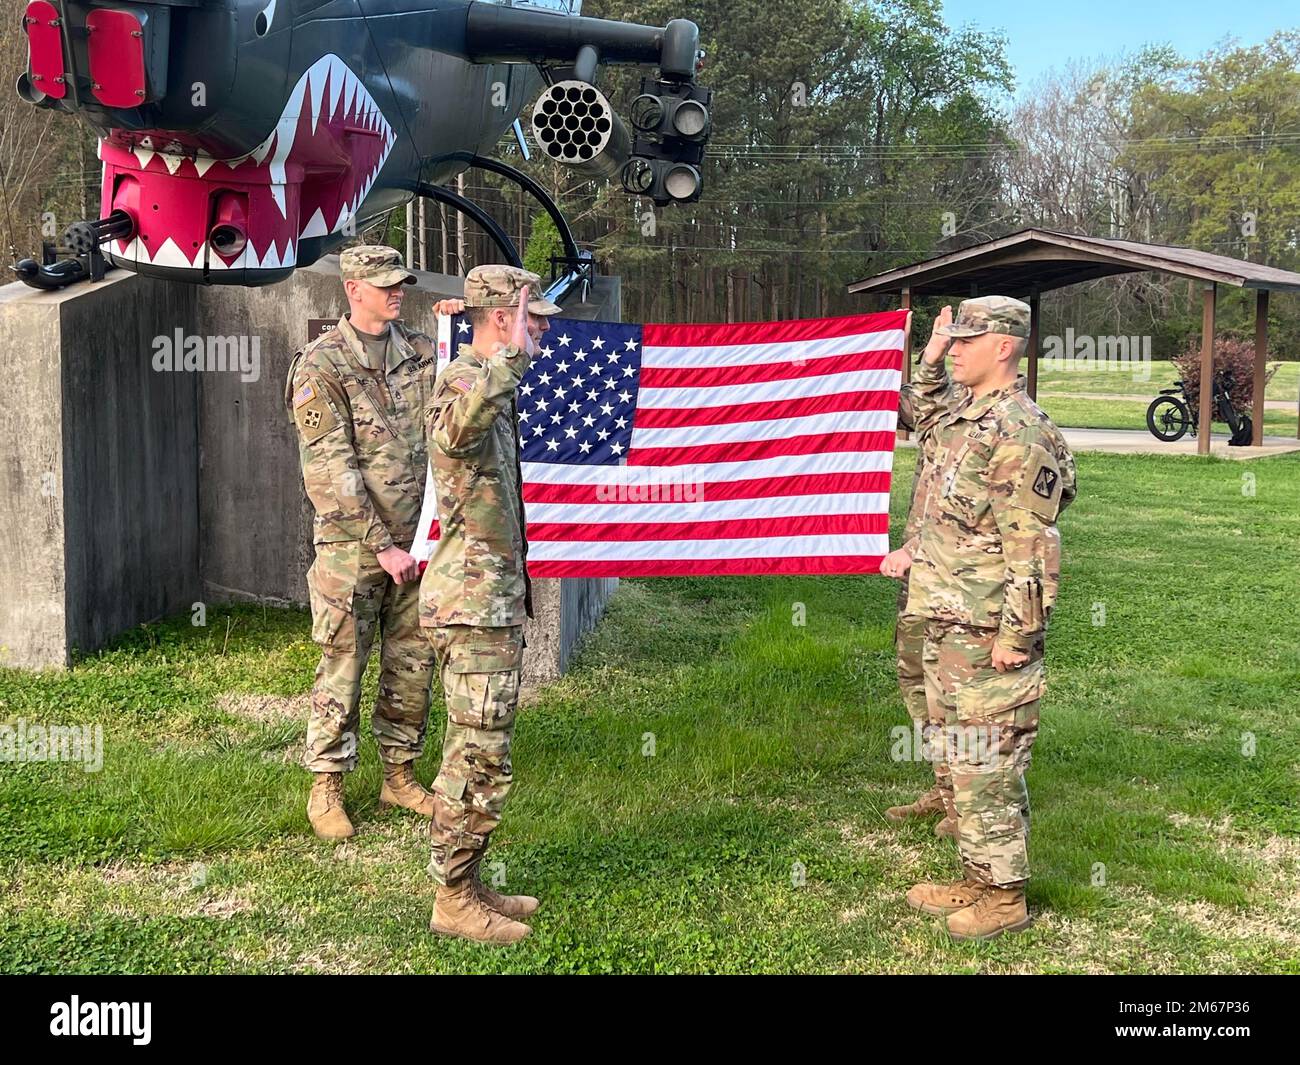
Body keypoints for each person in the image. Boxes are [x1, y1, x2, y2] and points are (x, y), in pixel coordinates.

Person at [882, 296, 1076, 940]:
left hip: (986, 623)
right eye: (952, 340)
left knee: (987, 762)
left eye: (966, 340)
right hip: (943, 609)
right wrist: (932, 350)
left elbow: (1033, 545)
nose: (954, 348)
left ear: (1005, 346)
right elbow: (921, 404)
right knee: (959, 749)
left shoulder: (1019, 432)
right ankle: (976, 876)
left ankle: (1004, 898)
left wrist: (1017, 637)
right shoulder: (967, 415)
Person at [285, 244, 464, 840]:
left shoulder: (419, 350)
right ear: (352, 288)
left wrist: (462, 330)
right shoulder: (321, 366)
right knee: (344, 660)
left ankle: (399, 774)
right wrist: (381, 544)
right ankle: (327, 784)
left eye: (401, 283)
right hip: (354, 547)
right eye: (385, 284)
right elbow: (330, 471)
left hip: (416, 542)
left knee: (412, 660)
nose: (397, 292)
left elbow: (457, 406)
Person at [419, 265, 560, 944]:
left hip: (490, 602)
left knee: (486, 749)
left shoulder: (491, 383)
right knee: (476, 757)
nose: (540, 333)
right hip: (472, 605)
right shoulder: (464, 380)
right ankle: (451, 898)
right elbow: (451, 435)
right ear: (503, 319)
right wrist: (503, 355)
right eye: (532, 319)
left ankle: (468, 879)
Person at [881, 361, 964, 839]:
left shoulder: (996, 428)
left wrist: (918, 549)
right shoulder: (941, 414)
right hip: (919, 583)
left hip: (961, 589)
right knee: (916, 681)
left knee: (955, 696)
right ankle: (945, 785)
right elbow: (898, 400)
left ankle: (969, 804)